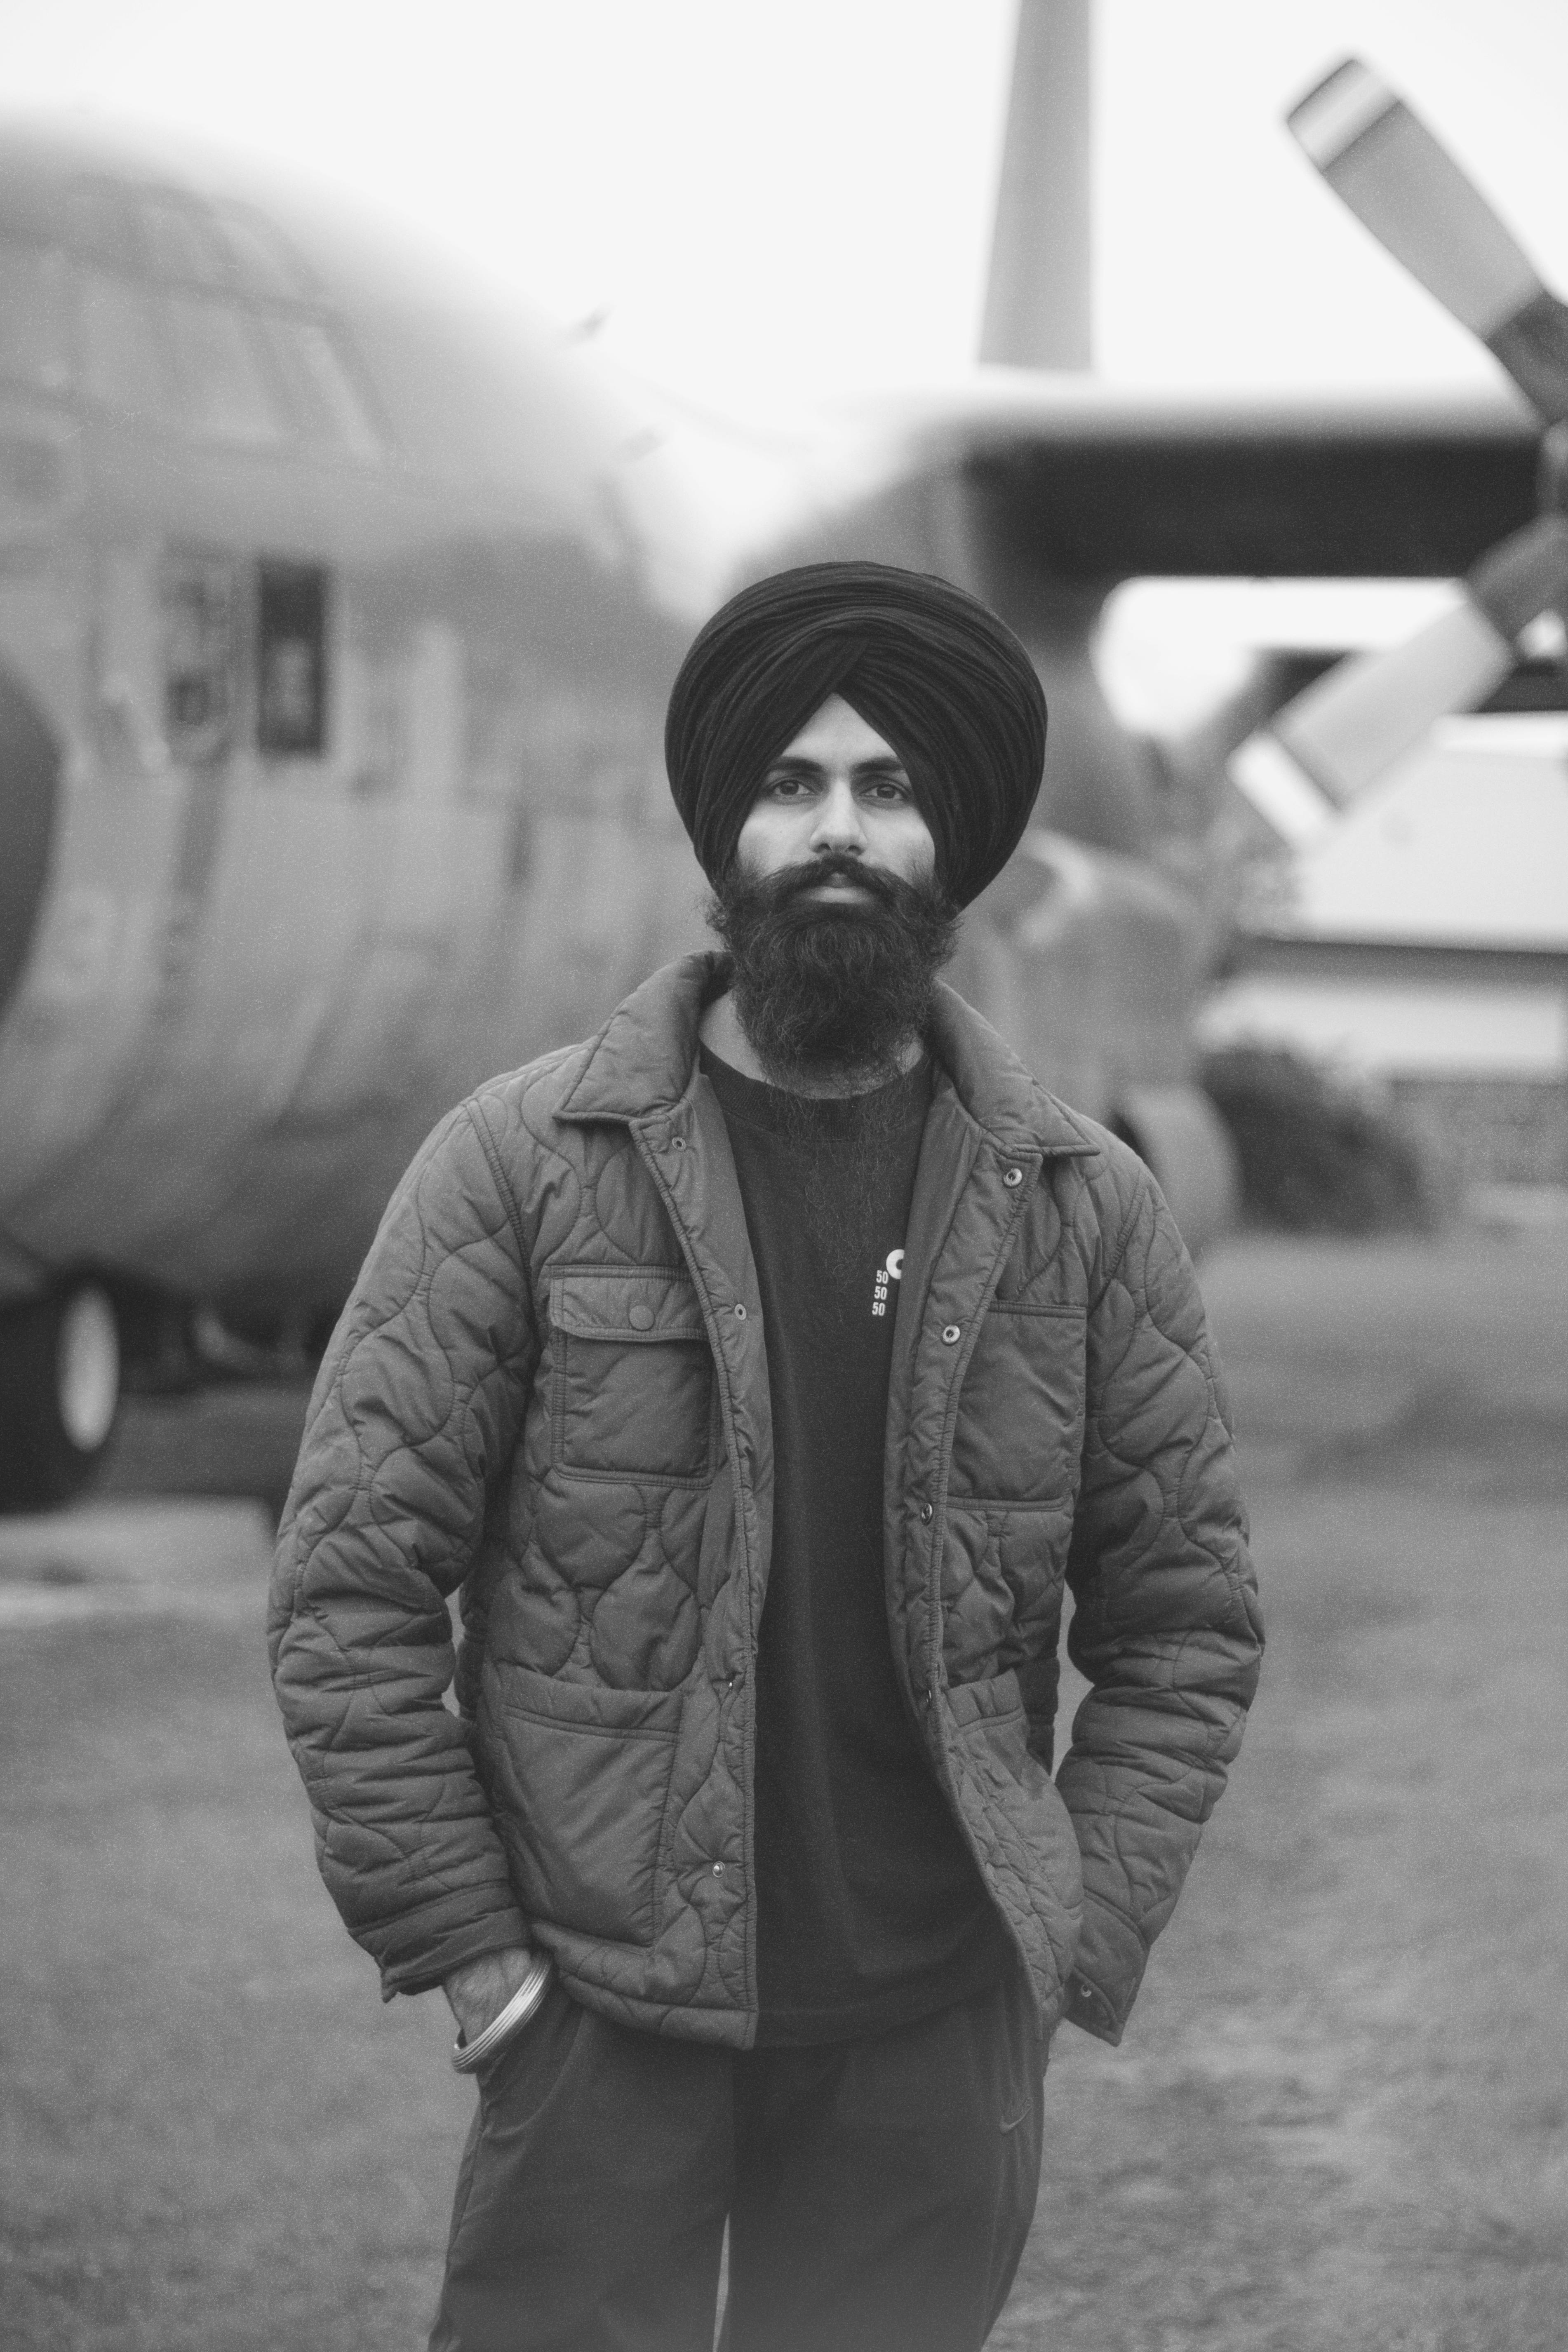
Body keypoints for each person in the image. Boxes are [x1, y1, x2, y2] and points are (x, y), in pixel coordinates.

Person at [268, 561, 1262, 2352]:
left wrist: (1059, 1947)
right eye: (793, 782)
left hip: (930, 2030)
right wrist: (481, 1965)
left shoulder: (1082, 1206)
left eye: (889, 787)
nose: (837, 829)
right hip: (599, 2016)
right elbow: (349, 1586)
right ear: (726, 822)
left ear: (957, 840)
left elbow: (1185, 1621)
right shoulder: (521, 1164)